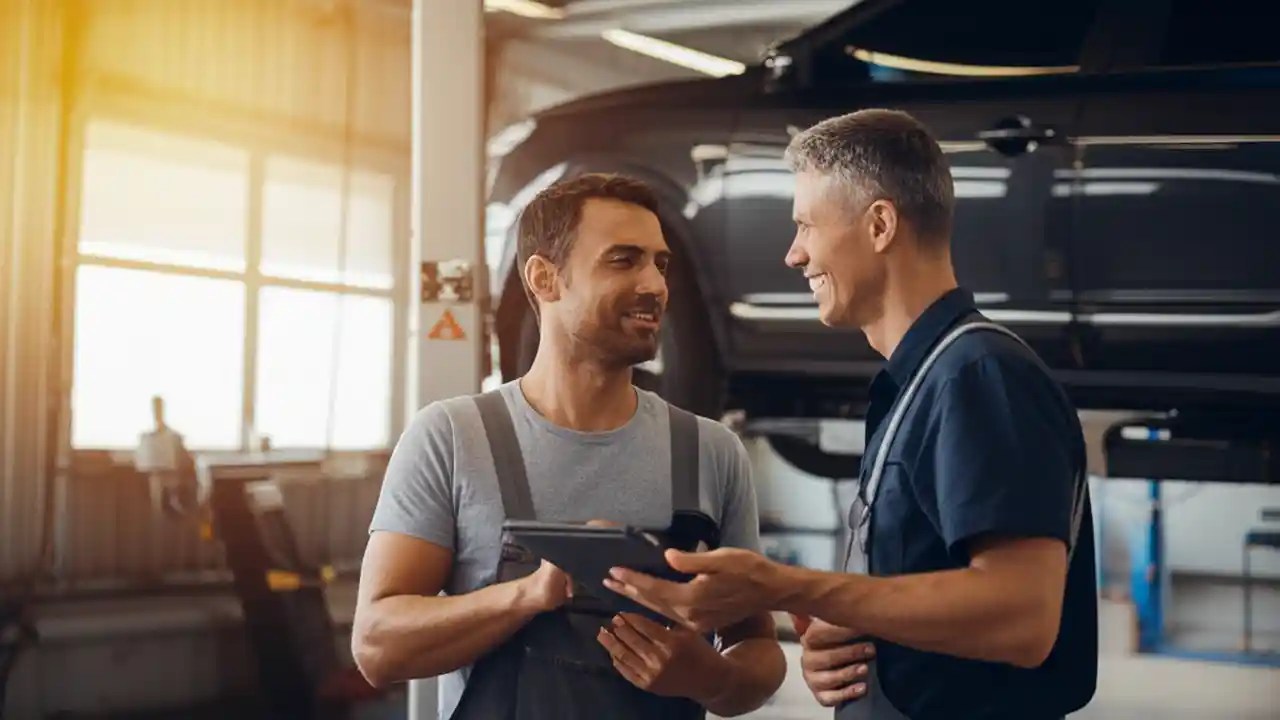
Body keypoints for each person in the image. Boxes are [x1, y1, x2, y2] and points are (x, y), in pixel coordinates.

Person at [604, 110, 1098, 719]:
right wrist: (860, 641)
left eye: (806, 225)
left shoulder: (978, 376)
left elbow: (1021, 617)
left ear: (880, 225)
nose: (794, 254)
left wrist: (788, 585)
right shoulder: (918, 383)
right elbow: (937, 605)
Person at [351, 173, 786, 719]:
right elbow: (377, 647)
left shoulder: (710, 451)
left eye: (660, 264)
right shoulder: (453, 438)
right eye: (623, 261)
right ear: (544, 278)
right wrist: (532, 592)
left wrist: (711, 677)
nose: (655, 285)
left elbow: (758, 648)